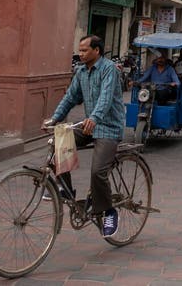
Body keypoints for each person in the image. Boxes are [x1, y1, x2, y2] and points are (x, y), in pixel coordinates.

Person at [48, 34, 124, 239]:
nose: (80, 54)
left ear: (96, 51)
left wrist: (95, 117)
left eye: (84, 50)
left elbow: (106, 97)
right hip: (89, 124)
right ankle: (67, 189)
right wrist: (54, 119)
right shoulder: (81, 72)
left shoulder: (109, 69)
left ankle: (108, 211)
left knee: (98, 171)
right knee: (59, 138)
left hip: (108, 127)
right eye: (79, 50)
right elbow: (70, 97)